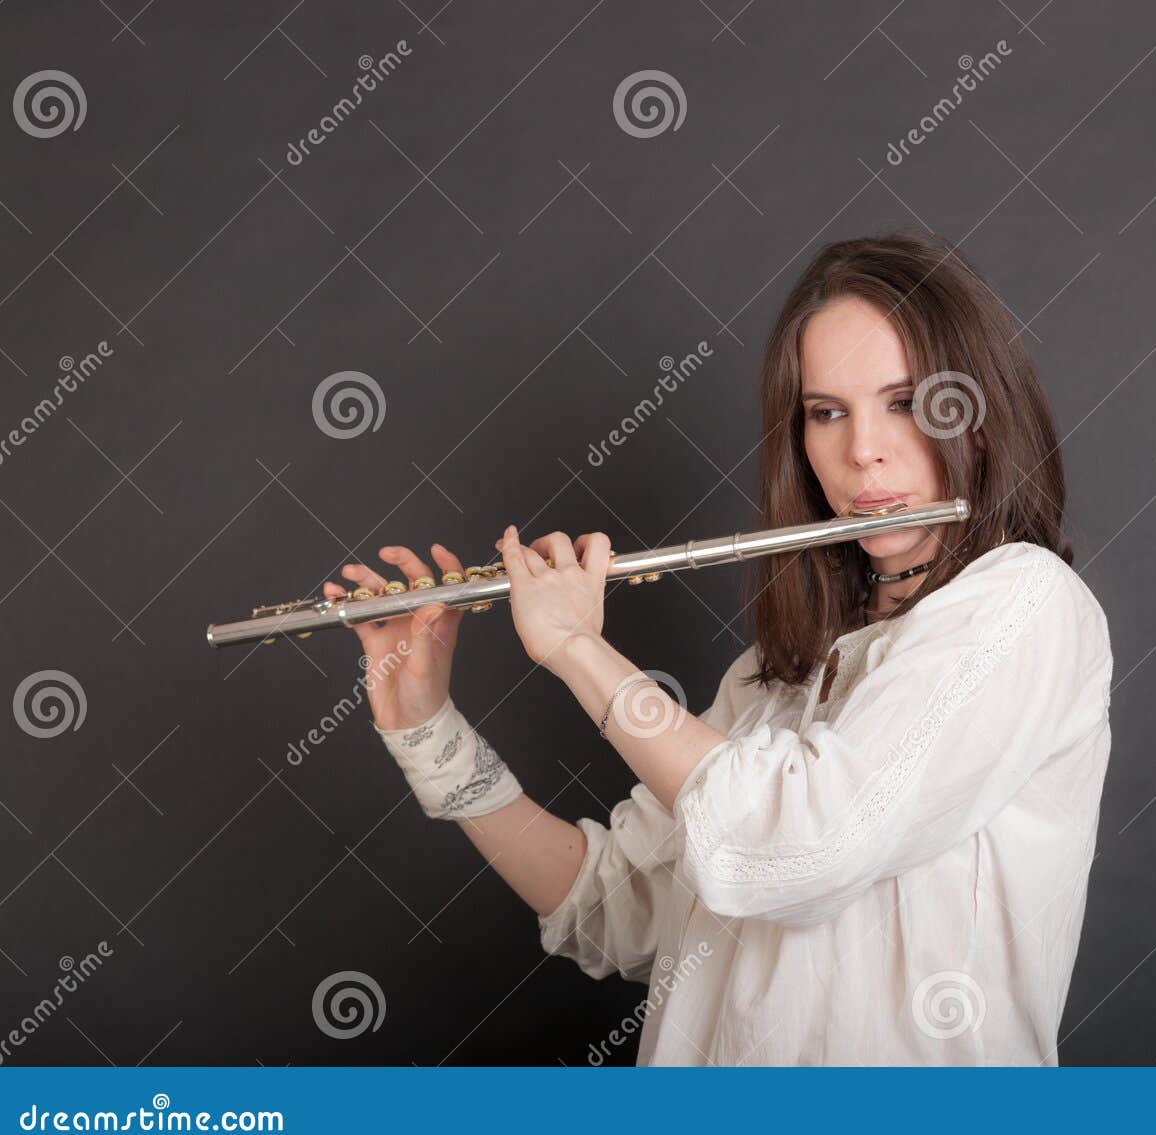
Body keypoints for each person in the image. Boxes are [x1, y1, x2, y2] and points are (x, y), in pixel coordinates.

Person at [330, 228, 1114, 1065]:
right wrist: (431, 735)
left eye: (906, 401)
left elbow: (796, 845)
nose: (863, 451)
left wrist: (576, 650)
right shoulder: (779, 673)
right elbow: (617, 905)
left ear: (980, 419)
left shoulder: (1025, 606)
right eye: (827, 412)